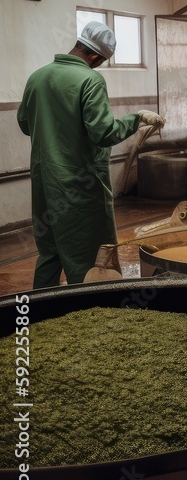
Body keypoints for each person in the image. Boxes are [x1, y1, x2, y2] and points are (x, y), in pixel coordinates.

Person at [17, 21, 164, 288]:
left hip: (45, 182)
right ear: (95, 56)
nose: (99, 66)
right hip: (79, 186)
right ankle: (85, 312)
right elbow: (103, 133)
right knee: (87, 257)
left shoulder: (37, 77)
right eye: (101, 61)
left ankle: (38, 316)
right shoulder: (90, 79)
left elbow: (25, 124)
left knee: (49, 254)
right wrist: (136, 119)